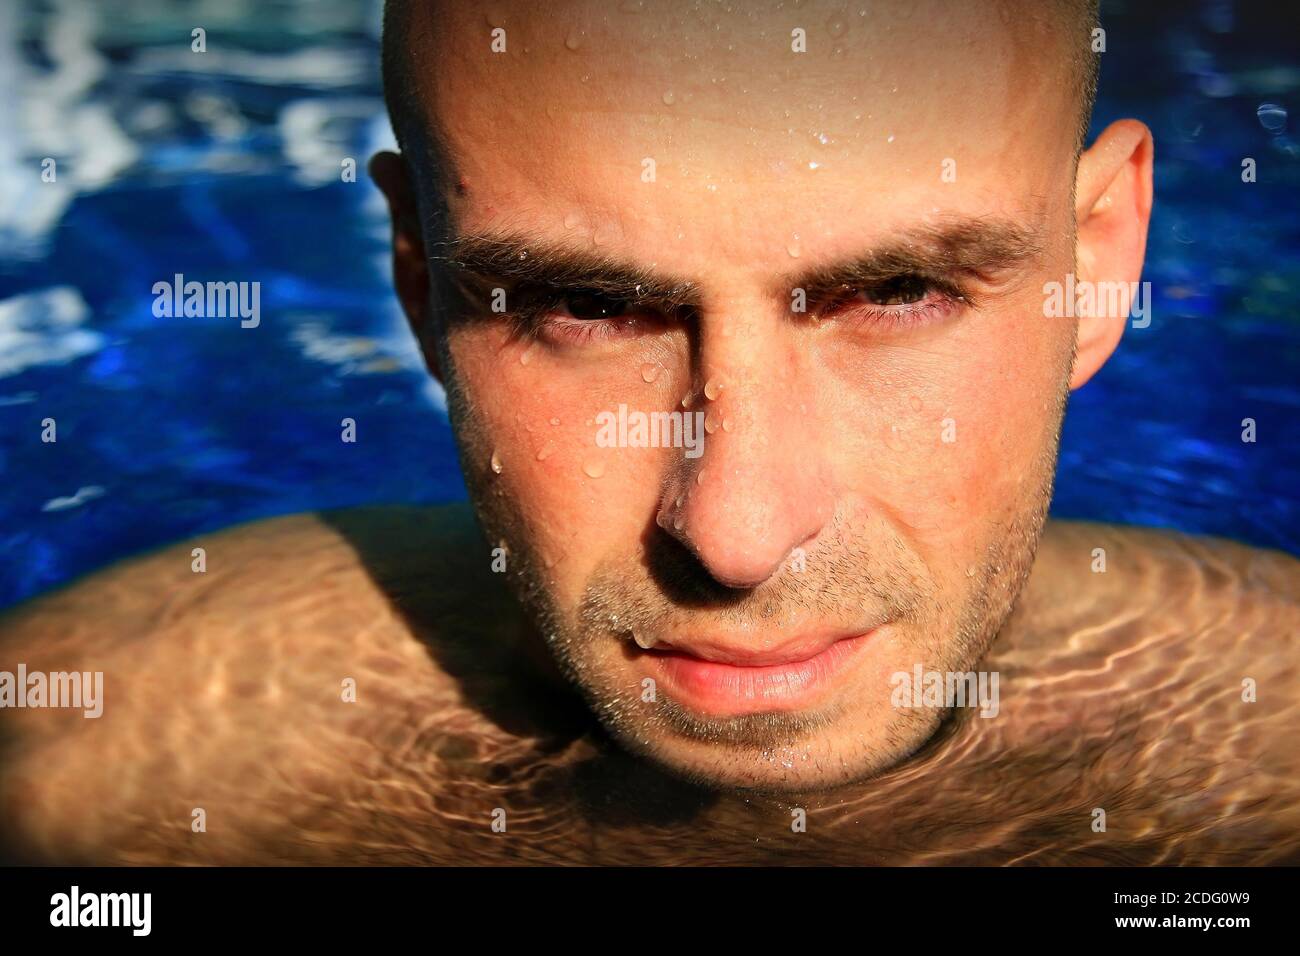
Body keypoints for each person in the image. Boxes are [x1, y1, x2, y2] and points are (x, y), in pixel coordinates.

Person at [1, 0, 1296, 865]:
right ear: (417, 285)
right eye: (584, 308)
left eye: (898, 293)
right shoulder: (81, 786)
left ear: (1101, 267)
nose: (735, 536)